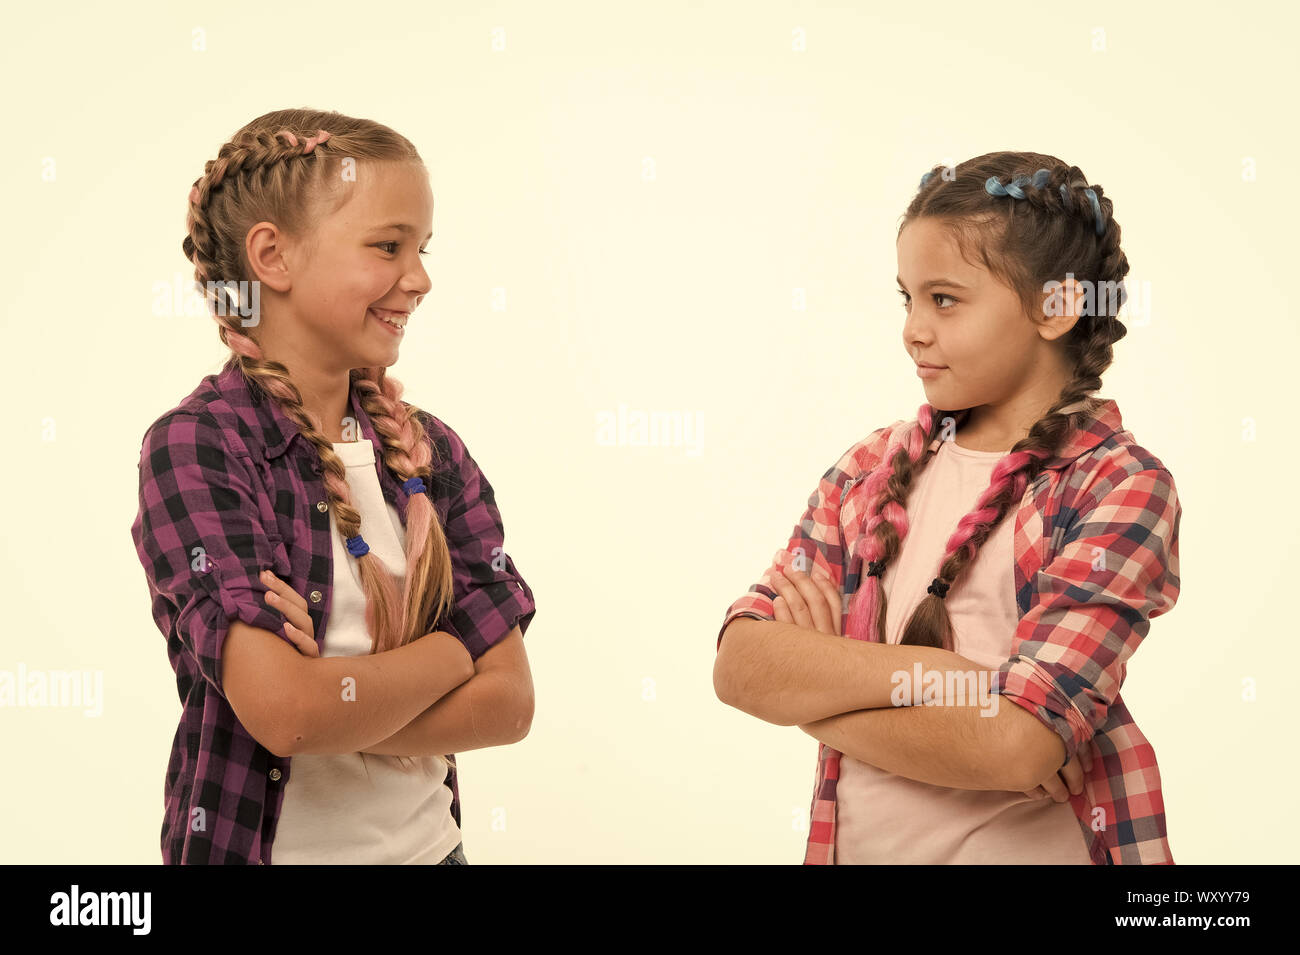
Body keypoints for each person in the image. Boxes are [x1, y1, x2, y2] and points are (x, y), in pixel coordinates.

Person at [714, 151, 1181, 865]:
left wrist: (816, 687)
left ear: (1055, 308)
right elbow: (742, 666)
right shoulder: (868, 471)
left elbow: (1017, 746)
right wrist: (960, 682)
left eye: (945, 299)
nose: (913, 329)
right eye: (907, 298)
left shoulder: (1116, 487)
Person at [130, 108, 537, 864]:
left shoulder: (431, 450)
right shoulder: (198, 447)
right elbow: (284, 714)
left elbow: (509, 704)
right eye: (388, 246)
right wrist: (458, 647)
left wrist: (333, 692)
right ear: (272, 257)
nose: (418, 278)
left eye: (421, 249)